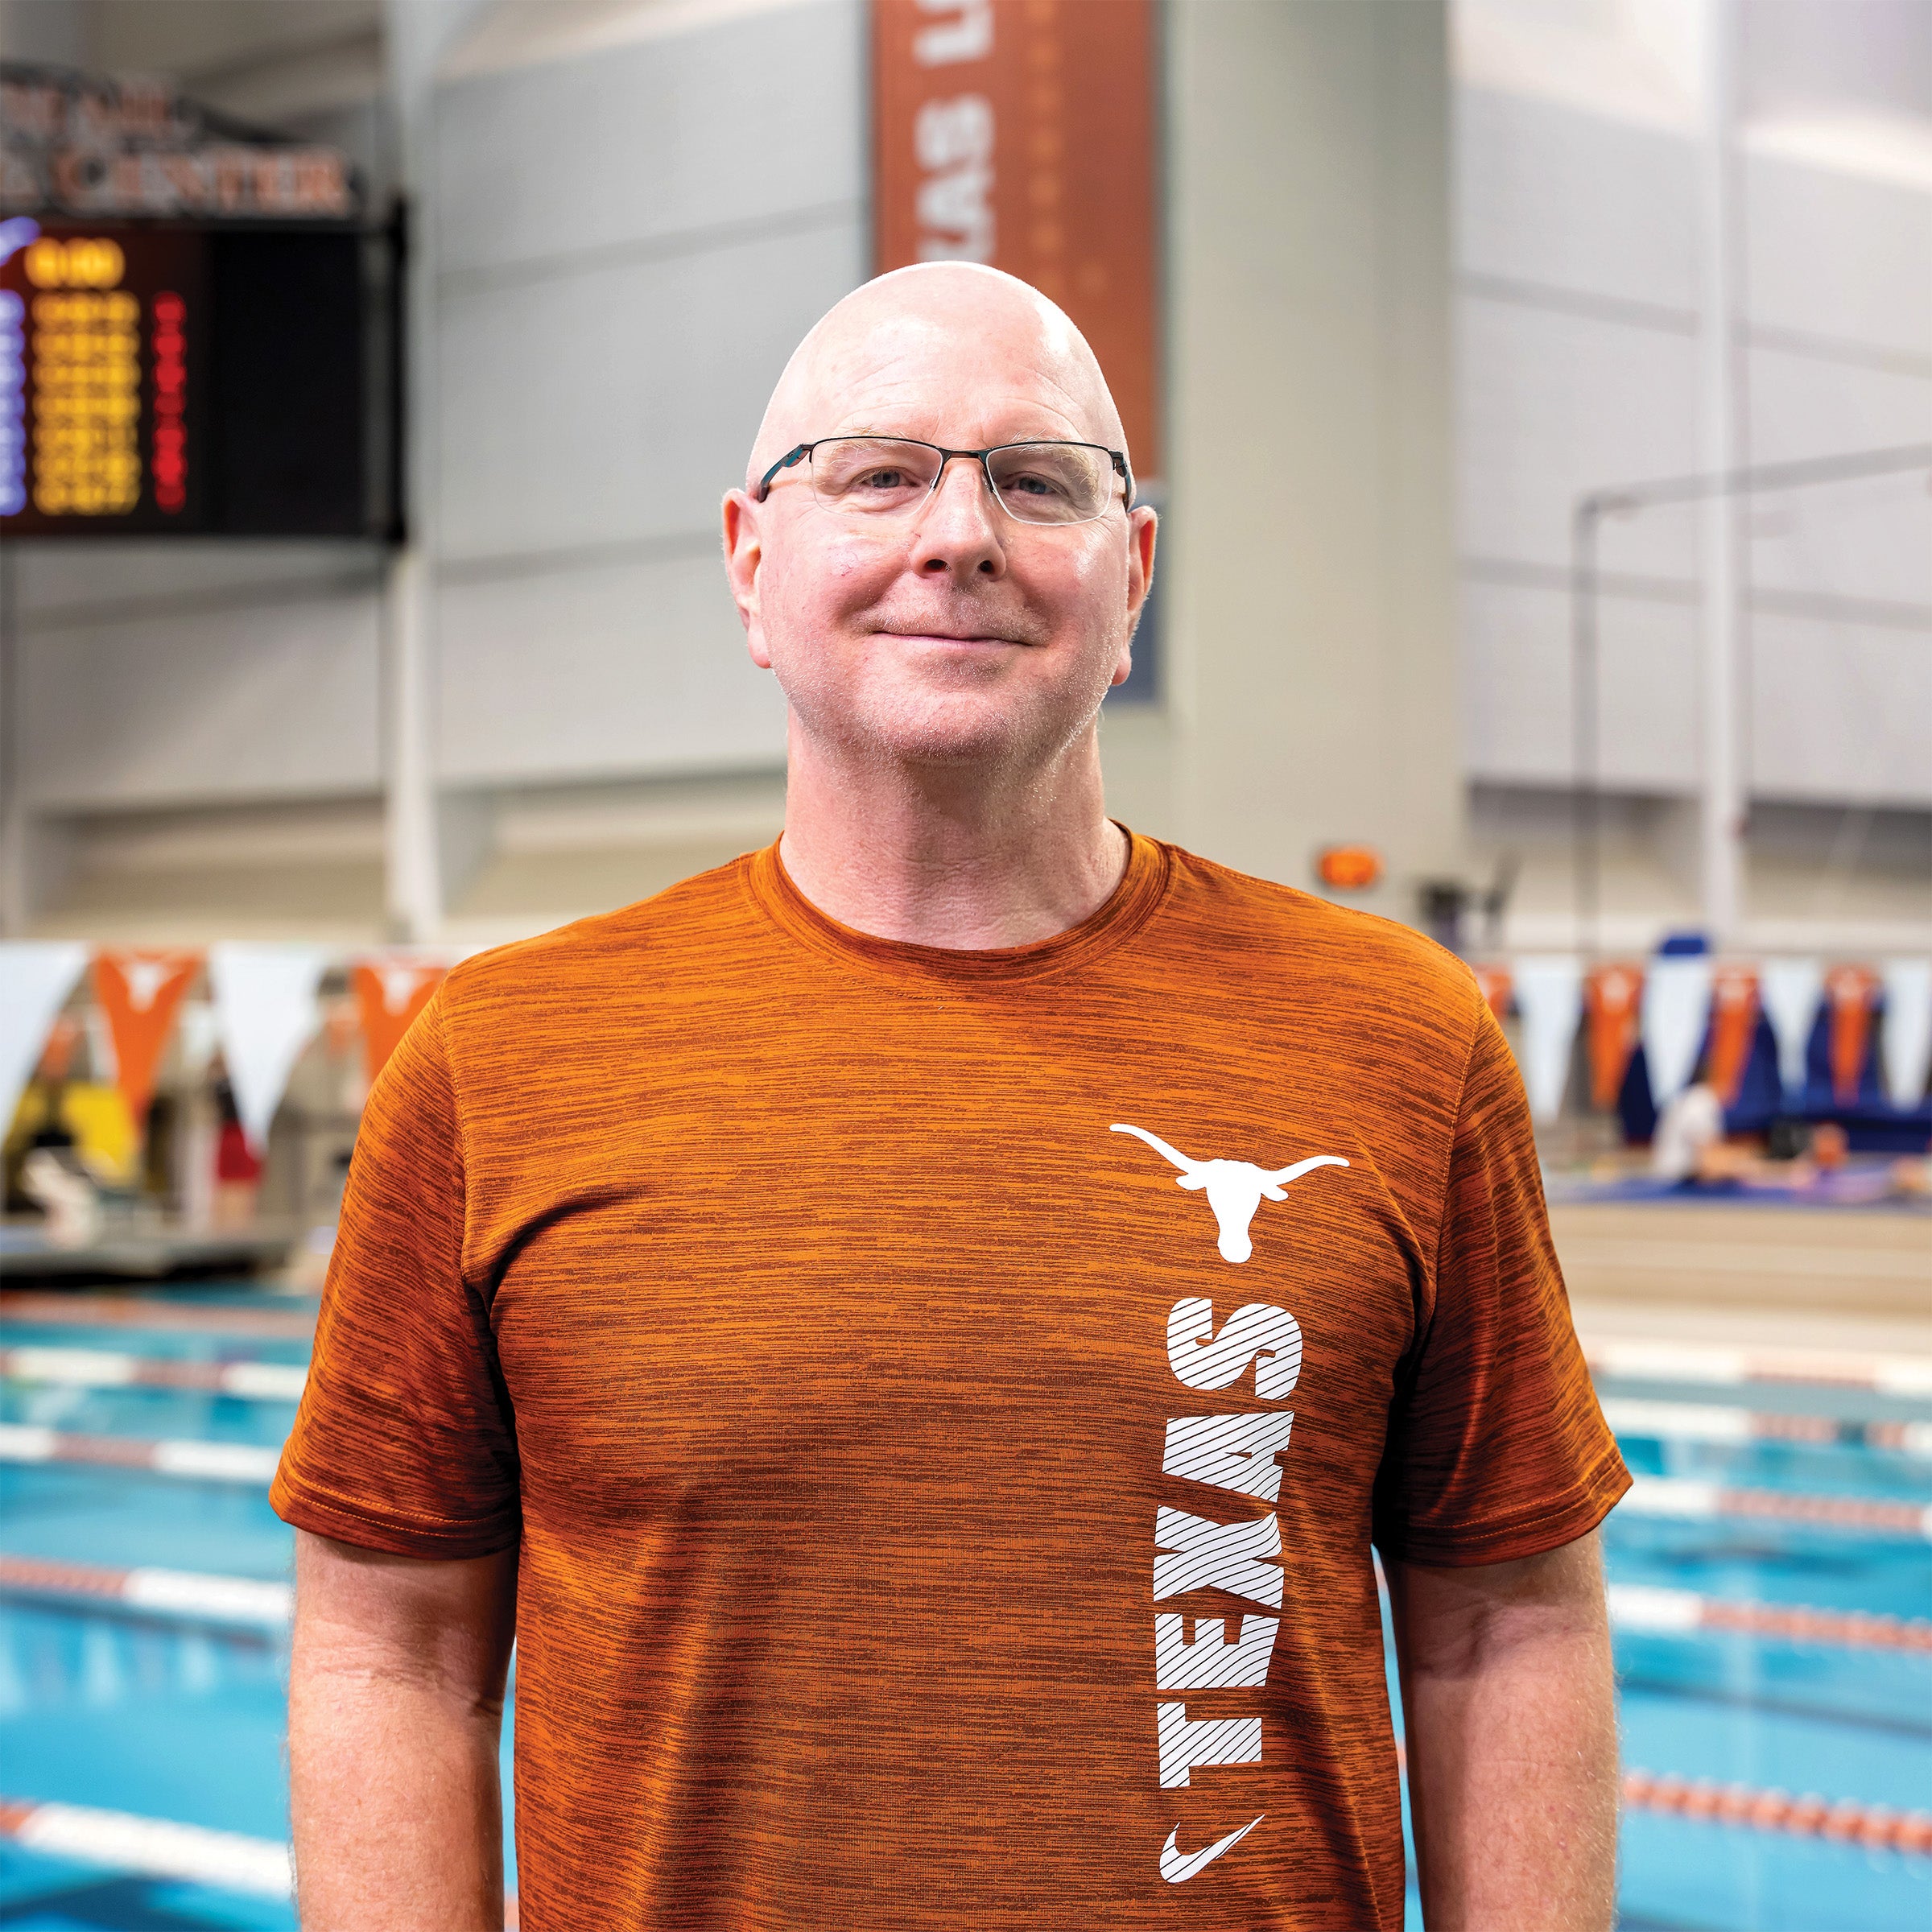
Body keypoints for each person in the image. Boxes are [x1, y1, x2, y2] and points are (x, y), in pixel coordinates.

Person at [275, 264, 1629, 1930]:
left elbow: (1510, 1625)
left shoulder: (1395, 1037)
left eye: (1038, 481)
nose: (962, 533)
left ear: (1132, 577)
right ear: (749, 562)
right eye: (880, 471)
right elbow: (389, 1653)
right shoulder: (502, 1058)